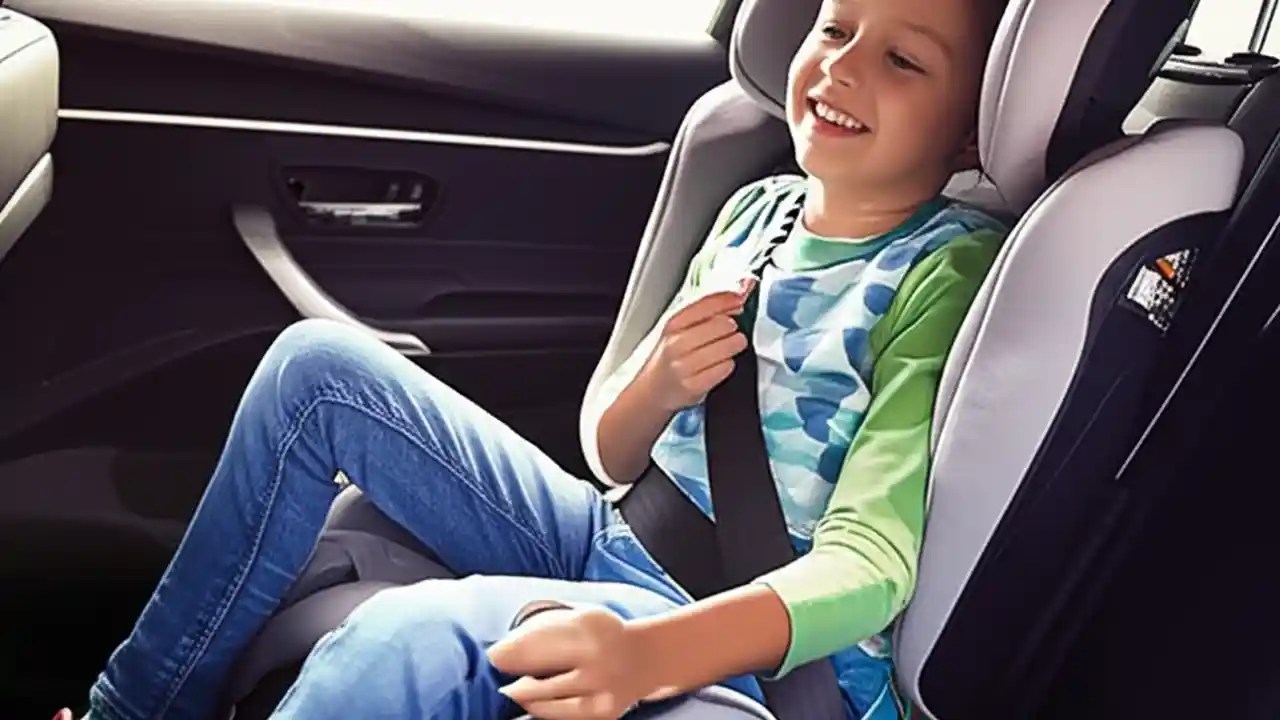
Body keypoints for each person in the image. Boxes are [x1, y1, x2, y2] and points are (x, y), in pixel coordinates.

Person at [57, 0, 1011, 717]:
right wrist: (660, 383)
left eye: (902, 61)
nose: (843, 68)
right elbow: (612, 450)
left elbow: (873, 564)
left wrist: (651, 655)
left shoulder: (945, 268)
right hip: (613, 537)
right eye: (836, 28)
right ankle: (136, 705)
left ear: (972, 128)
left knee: (408, 635)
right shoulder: (753, 213)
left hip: (754, 652)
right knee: (317, 371)